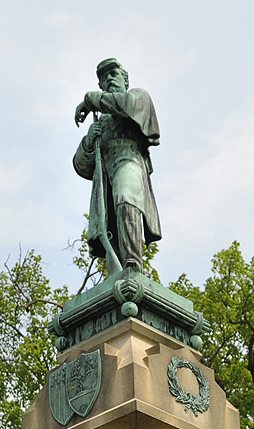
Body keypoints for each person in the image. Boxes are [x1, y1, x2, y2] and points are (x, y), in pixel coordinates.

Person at [73, 58, 162, 275]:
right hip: (105, 176)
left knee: (126, 198)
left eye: (114, 74)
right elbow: (81, 166)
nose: (109, 79)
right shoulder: (101, 122)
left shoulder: (138, 97)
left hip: (129, 160)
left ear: (125, 79)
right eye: (104, 78)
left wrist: (90, 100)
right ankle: (116, 269)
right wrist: (87, 143)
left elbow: (124, 105)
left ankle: (133, 263)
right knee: (107, 224)